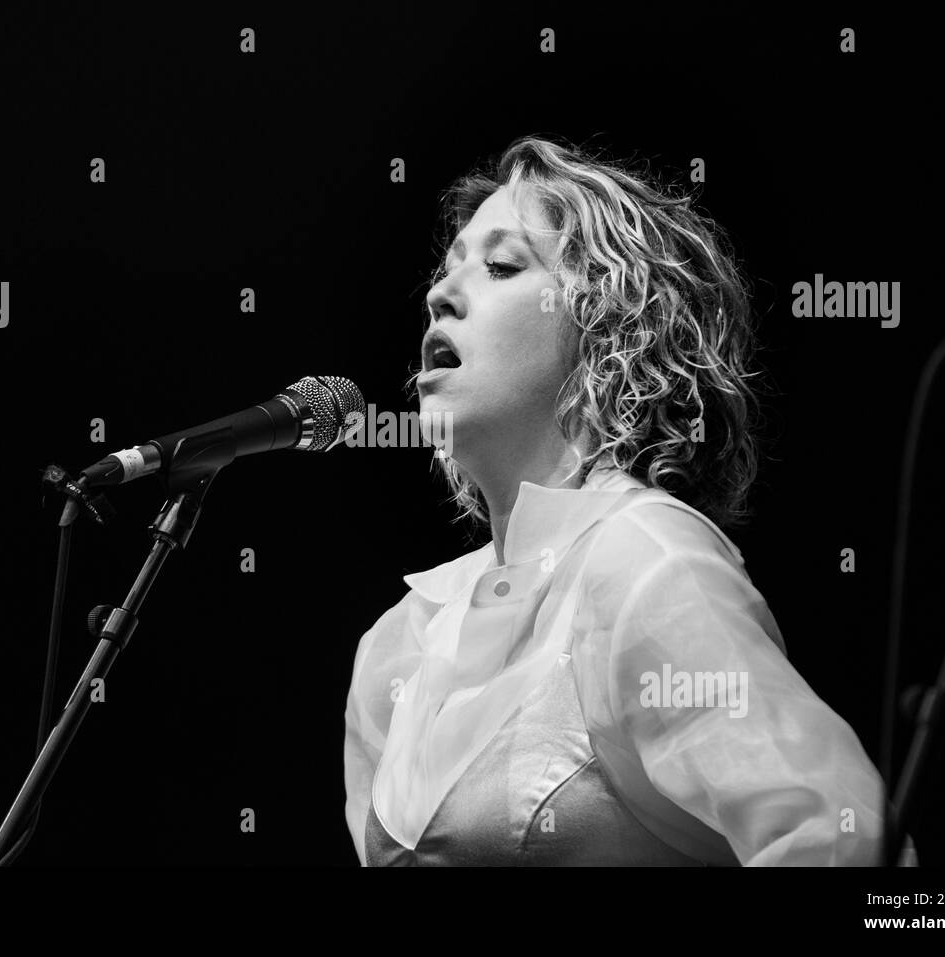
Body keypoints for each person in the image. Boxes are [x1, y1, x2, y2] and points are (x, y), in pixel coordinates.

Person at [343, 135, 913, 866]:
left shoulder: (641, 559)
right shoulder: (398, 643)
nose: (437, 295)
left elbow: (843, 841)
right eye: (445, 270)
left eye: (501, 265)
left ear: (610, 324)